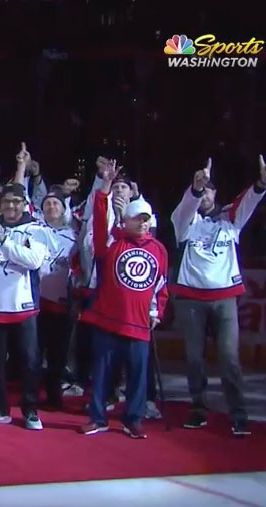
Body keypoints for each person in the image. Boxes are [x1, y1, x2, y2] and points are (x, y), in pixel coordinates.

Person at [170, 156, 266, 436]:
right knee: (194, 358)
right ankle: (197, 407)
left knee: (229, 358)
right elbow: (185, 207)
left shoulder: (231, 220)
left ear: (216, 194)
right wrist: (195, 187)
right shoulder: (183, 222)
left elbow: (248, 202)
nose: (204, 194)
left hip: (225, 298)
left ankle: (238, 413)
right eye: (200, 191)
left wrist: (262, 183)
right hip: (191, 299)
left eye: (208, 190)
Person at [80, 160, 168, 439]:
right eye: (138, 219)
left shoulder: (159, 250)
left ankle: (133, 419)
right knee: (102, 373)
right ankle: (97, 417)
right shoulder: (112, 243)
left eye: (146, 220)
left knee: (138, 377)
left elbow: (160, 286)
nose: (143, 224)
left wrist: (157, 312)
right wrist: (105, 184)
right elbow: (98, 213)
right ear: (126, 221)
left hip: (140, 324)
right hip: (108, 320)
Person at [0, 150, 49, 430]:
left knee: (29, 361)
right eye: (6, 202)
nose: (11, 207)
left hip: (22, 307)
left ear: (24, 205)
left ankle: (30, 410)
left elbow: (33, 261)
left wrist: (5, 242)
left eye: (16, 202)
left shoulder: (36, 229)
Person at [32, 191, 78, 407]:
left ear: (63, 208)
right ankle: (30, 394)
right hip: (36, 302)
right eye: (47, 204)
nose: (51, 207)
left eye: (55, 203)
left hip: (62, 304)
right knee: (33, 352)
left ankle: (53, 396)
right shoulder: (34, 231)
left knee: (58, 354)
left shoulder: (73, 235)